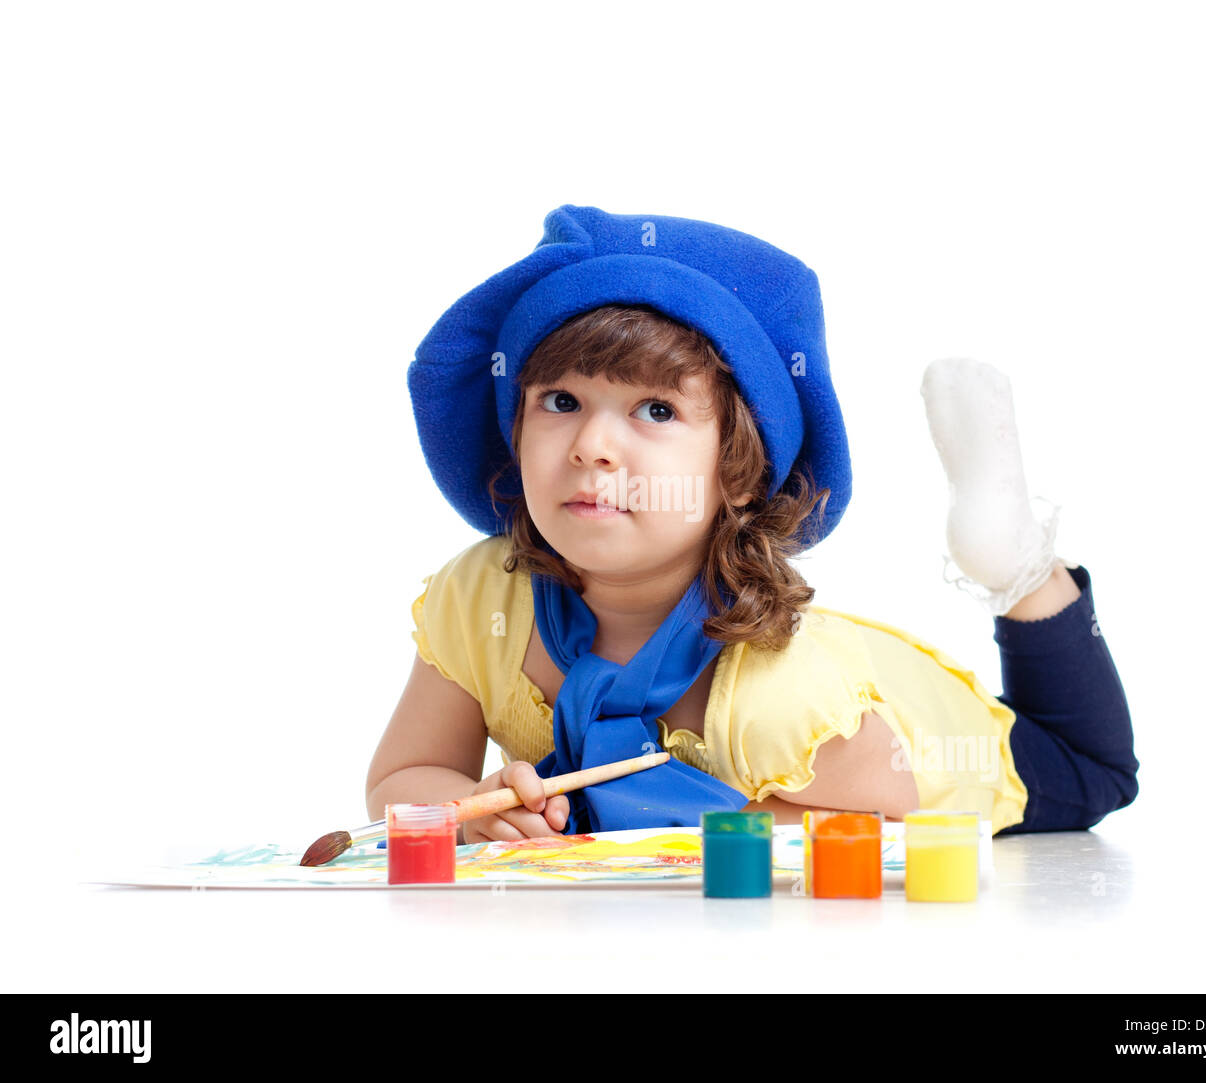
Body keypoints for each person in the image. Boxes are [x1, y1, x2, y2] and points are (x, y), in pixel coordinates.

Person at [365, 204, 1138, 845]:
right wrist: (473, 815)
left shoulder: (784, 693)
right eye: (560, 402)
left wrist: (649, 832)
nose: (592, 447)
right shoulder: (482, 602)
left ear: (737, 470)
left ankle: (1021, 565)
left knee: (1094, 766)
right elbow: (402, 777)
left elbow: (893, 825)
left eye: (656, 410)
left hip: (939, 734)